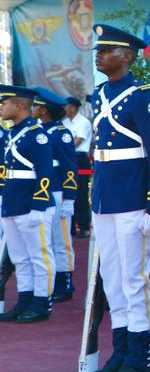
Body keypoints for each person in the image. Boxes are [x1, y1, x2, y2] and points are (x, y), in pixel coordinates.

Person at [83, 25, 150, 372]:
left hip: (133, 197)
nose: (99, 55)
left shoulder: (142, 97)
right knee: (111, 277)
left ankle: (138, 355)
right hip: (105, 196)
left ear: (128, 57)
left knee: (134, 277)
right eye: (99, 50)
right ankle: (119, 350)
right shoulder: (100, 94)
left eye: (108, 50)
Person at [0, 86, 56, 323]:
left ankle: (42, 302)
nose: (1, 107)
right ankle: (25, 299)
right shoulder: (11, 133)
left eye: (5, 103)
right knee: (19, 256)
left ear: (21, 105)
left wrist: (39, 205)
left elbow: (45, 172)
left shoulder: (36, 134)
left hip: (32, 204)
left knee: (39, 255)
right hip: (12, 202)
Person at [31, 89, 78, 303]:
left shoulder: (61, 133)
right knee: (46, 239)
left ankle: (65, 282)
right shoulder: (38, 131)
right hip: (43, 191)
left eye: (37, 106)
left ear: (44, 110)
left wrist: (70, 197)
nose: (34, 109)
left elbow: (70, 167)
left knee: (61, 240)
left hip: (58, 191)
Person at [64, 95, 92, 237]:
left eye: (67, 106)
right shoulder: (65, 123)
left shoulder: (84, 122)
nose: (64, 109)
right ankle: (71, 227)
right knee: (69, 193)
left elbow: (77, 141)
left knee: (81, 194)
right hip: (68, 158)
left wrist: (61, 150)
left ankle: (84, 226)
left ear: (73, 108)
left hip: (80, 158)